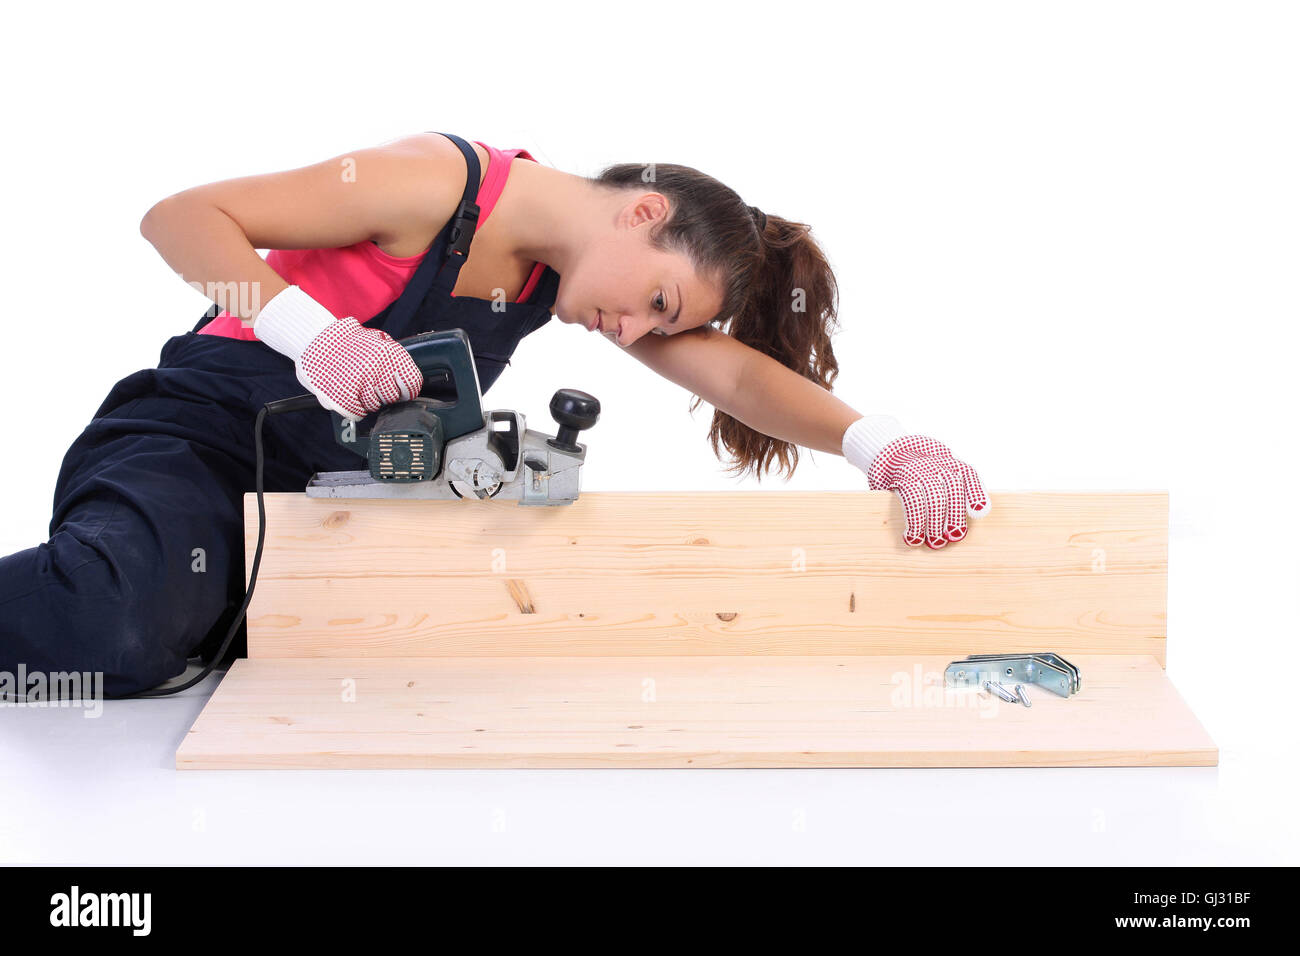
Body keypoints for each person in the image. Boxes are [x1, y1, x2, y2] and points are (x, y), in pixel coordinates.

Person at [0, 131, 988, 698]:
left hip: (310, 497)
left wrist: (880, 443)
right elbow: (179, 215)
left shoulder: (559, 274)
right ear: (643, 213)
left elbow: (732, 378)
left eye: (660, 324)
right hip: (197, 439)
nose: (640, 329)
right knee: (118, 627)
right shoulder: (438, 181)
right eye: (656, 301)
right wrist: (313, 335)